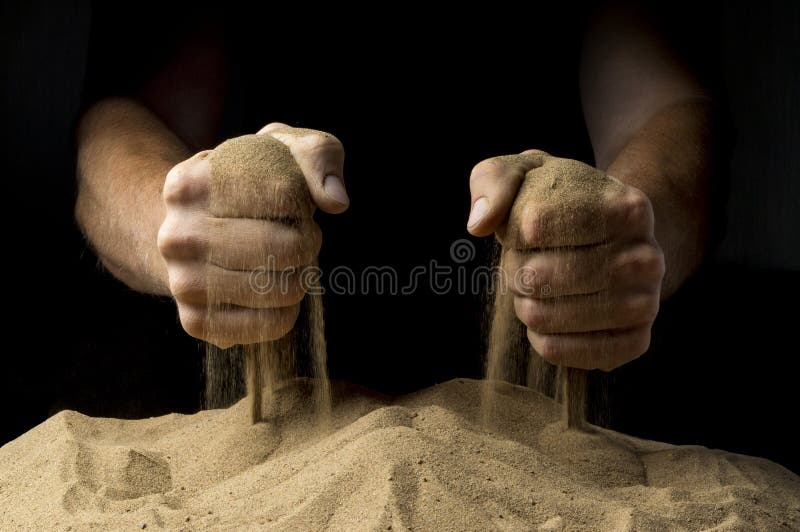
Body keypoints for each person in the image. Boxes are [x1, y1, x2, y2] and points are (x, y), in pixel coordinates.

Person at [75, 3, 723, 391]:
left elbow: (667, 109)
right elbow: (128, 114)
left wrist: (629, 225)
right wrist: (175, 218)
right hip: (269, 384)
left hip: (542, 379)